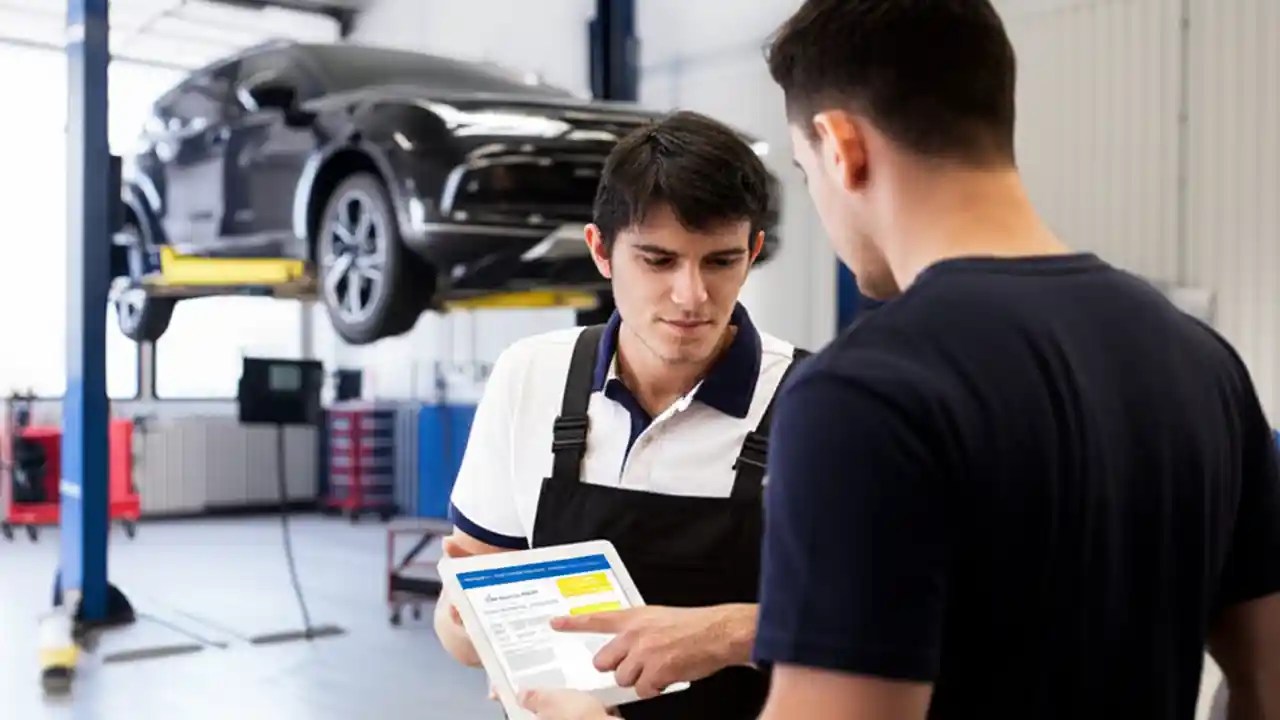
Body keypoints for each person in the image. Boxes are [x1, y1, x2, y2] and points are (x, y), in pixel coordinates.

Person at [519, 1, 1280, 719]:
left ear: (843, 147)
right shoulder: (1201, 361)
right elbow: (1267, 681)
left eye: (805, 168)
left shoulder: (864, 393)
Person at [434, 109, 809, 720]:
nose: (691, 297)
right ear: (601, 251)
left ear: (754, 252)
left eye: (720, 261)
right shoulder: (531, 375)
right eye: (657, 261)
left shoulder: (814, 402)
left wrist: (730, 634)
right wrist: (470, 624)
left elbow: (876, 627)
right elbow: (460, 630)